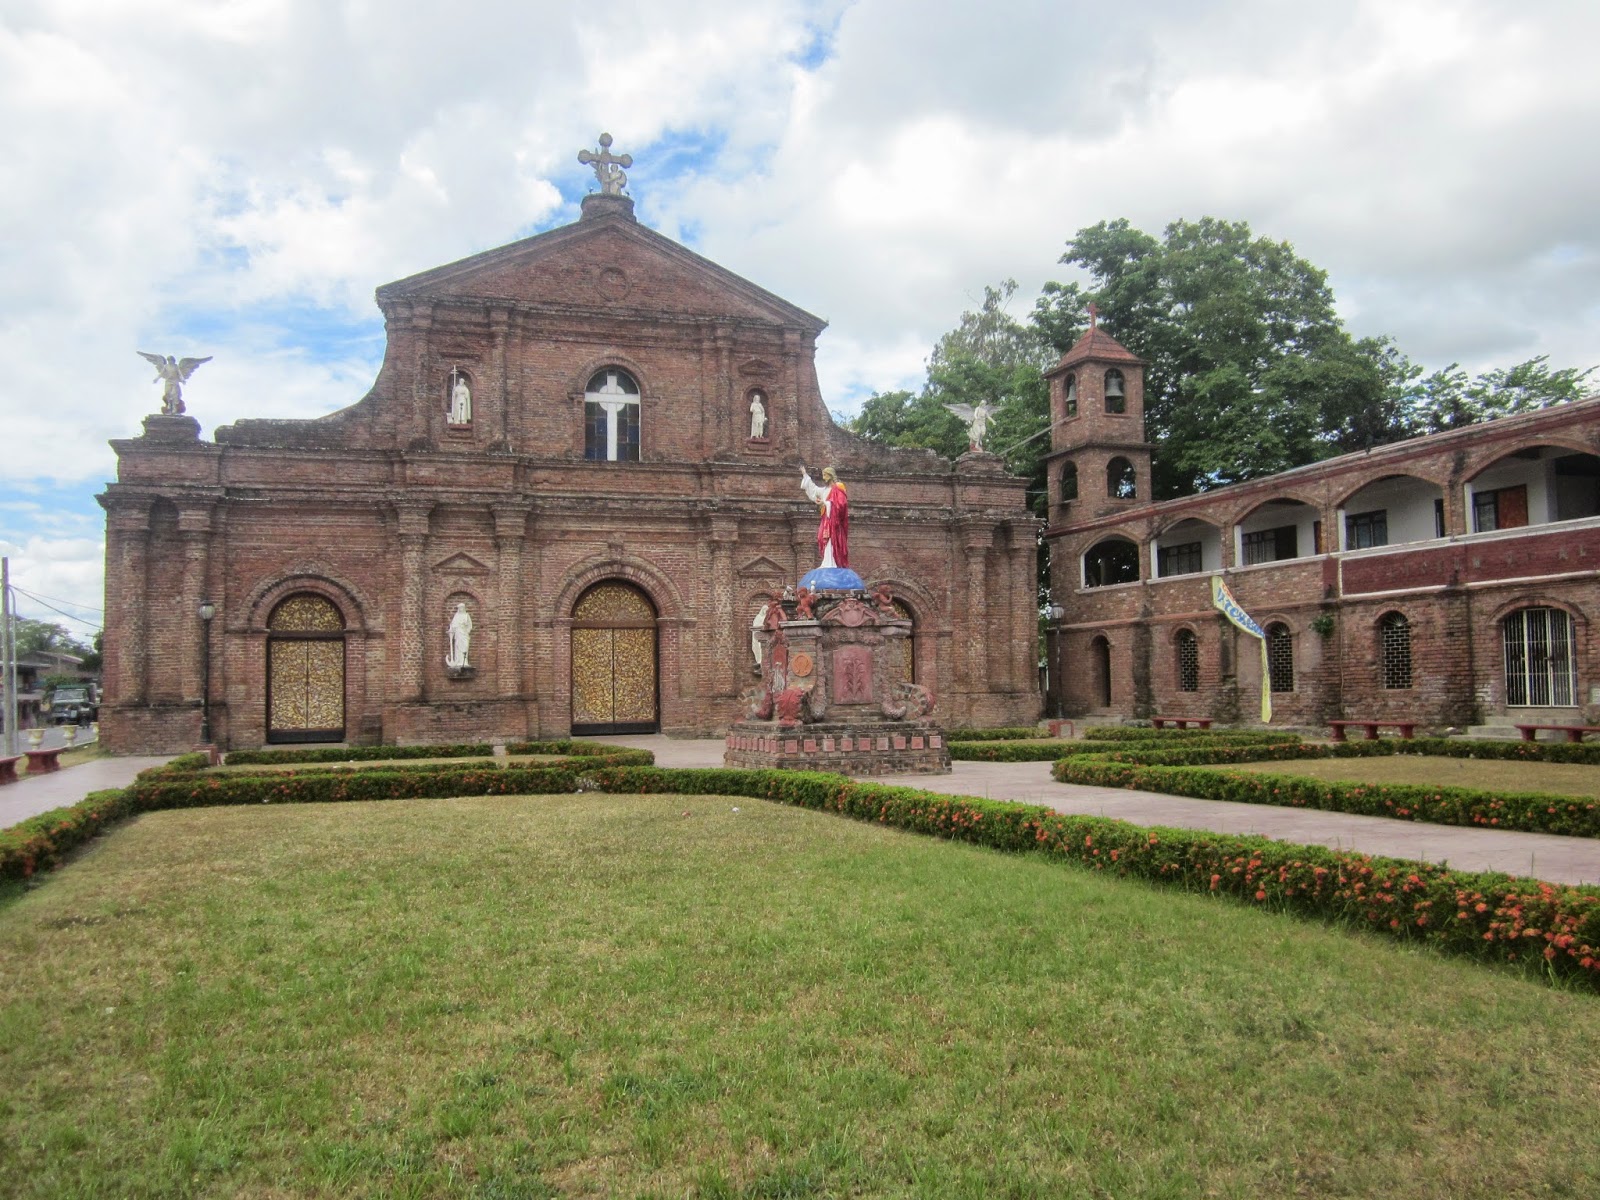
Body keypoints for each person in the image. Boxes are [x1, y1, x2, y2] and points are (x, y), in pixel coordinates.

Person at [800, 466, 849, 569]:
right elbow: (814, 489)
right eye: (823, 475)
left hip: (834, 521)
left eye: (825, 475)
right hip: (826, 519)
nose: (824, 477)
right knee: (822, 538)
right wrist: (805, 474)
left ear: (831, 475)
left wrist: (826, 503)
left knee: (832, 539)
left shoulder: (838, 487)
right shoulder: (825, 490)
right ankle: (826, 562)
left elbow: (842, 504)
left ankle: (833, 562)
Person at [446, 602, 472, 669]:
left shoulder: (467, 615)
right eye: (460, 608)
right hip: (458, 633)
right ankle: (458, 661)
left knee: (465, 646)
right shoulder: (456, 616)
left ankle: (464, 661)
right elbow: (453, 625)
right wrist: (451, 630)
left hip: (464, 633)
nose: (461, 609)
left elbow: (470, 625)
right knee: (458, 647)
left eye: (462, 607)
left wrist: (467, 630)